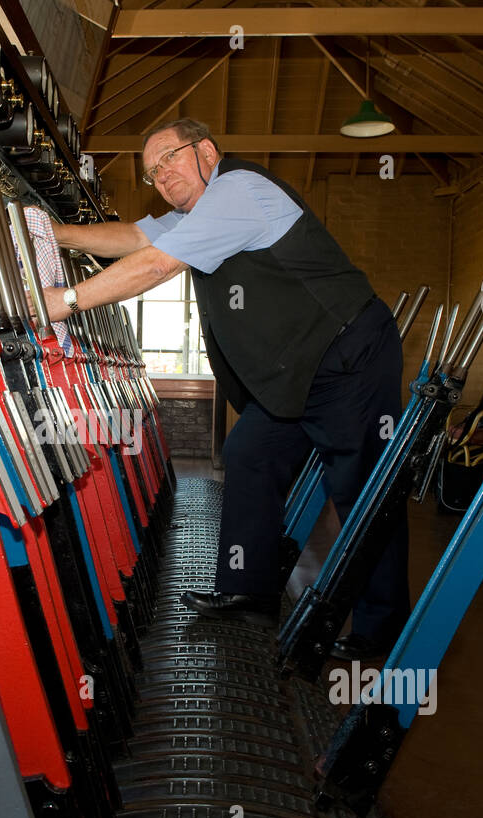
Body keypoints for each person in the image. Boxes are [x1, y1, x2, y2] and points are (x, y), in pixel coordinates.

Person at [38, 117, 409, 661]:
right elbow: (136, 237)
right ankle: (250, 589)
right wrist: (51, 232)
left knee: (360, 490)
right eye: (151, 171)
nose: (162, 175)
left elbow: (156, 264)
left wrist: (61, 302)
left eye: (169, 157)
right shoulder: (197, 213)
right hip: (293, 372)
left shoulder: (239, 191)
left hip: (346, 357)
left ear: (207, 150)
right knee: (249, 452)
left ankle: (380, 635)